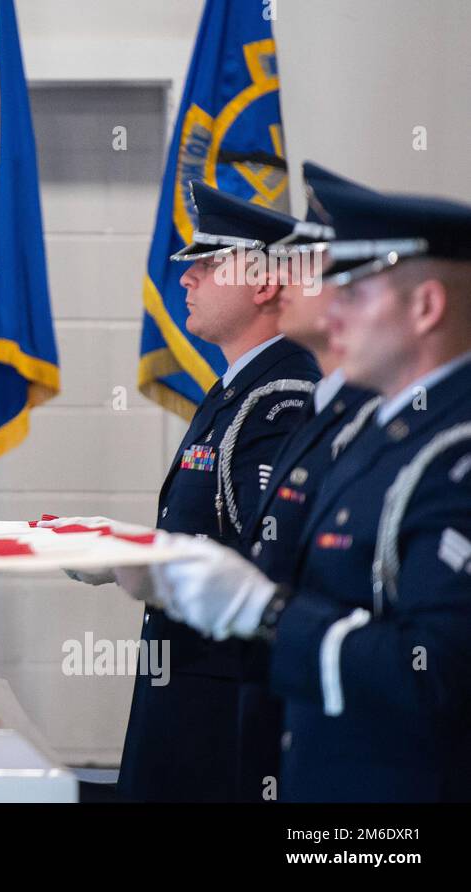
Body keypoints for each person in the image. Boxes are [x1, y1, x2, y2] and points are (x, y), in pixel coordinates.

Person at [115, 182, 471, 802]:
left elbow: (436, 674)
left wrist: (264, 612)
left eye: (353, 290)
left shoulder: (449, 451)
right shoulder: (386, 431)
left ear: (425, 308)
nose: (330, 311)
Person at [49, 182, 321, 801]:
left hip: (223, 722)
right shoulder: (238, 388)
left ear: (264, 283)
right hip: (188, 709)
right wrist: (120, 547)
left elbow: (266, 572)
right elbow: (211, 538)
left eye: (208, 262)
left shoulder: (280, 400)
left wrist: (136, 563)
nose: (186, 279)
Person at [226, 162, 382, 800]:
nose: (284, 277)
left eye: (309, 265)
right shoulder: (329, 408)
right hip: (289, 712)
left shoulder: (376, 423)